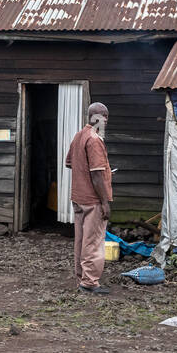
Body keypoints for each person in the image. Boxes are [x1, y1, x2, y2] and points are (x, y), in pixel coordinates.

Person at [65, 102, 113, 295]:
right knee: (93, 241)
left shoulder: (79, 136)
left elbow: (70, 163)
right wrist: (104, 202)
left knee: (81, 239)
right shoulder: (94, 139)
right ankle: (90, 282)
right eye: (105, 117)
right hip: (93, 199)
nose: (106, 121)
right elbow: (96, 174)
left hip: (78, 197)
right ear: (97, 118)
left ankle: (81, 277)